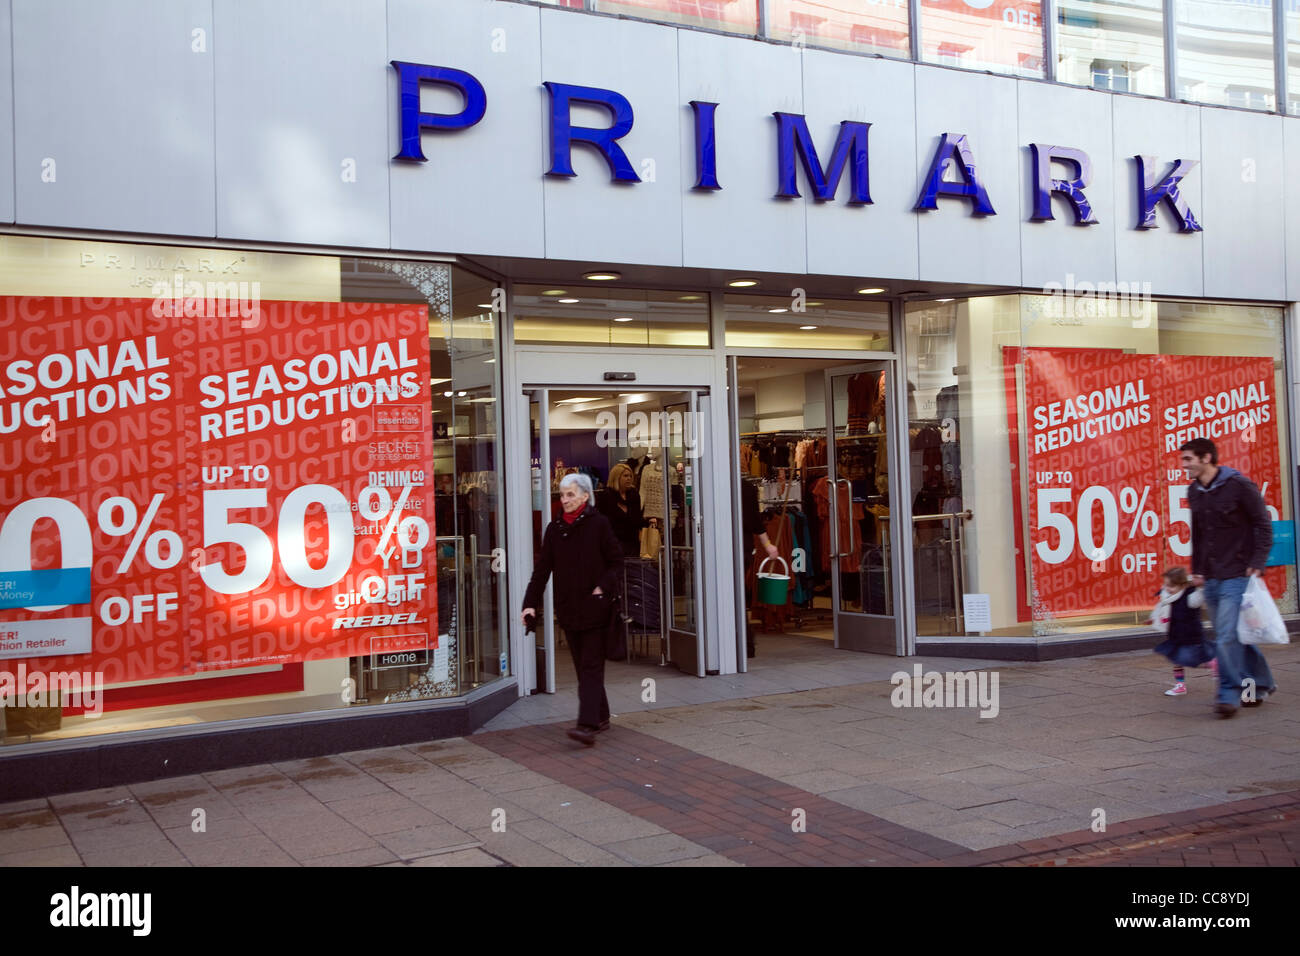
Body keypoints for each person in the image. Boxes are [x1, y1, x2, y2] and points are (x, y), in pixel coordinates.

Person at [521, 473, 623, 745]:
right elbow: (542, 570)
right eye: (562, 495)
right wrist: (529, 604)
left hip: (595, 608)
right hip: (568, 610)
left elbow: (616, 562)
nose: (564, 500)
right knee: (582, 666)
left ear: (585, 496)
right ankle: (600, 714)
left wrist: (602, 587)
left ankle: (587, 725)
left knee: (590, 666)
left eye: (570, 494)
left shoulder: (599, 524)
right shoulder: (555, 529)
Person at [1180, 437, 1278, 718]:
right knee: (1234, 634)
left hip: (1237, 572)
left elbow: (1263, 524)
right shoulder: (1195, 491)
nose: (1184, 465)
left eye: (1188, 459)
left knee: (1224, 636)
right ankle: (1261, 683)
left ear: (1206, 458)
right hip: (1210, 575)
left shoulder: (1238, 486)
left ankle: (1228, 694)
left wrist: (1258, 562)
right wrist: (1197, 569)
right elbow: (1198, 534)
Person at [1150, 566, 1215, 696]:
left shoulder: (1191, 596)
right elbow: (1161, 610)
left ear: (1183, 585)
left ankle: (1214, 664)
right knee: (1176, 660)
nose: (1167, 589)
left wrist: (1201, 586)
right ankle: (1180, 685)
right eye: (1166, 585)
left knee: (1194, 659)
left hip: (1190, 636)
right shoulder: (1168, 596)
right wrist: (1153, 618)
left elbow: (1200, 597)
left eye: (1171, 586)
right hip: (1176, 635)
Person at [597, 462, 644, 557]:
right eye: (625, 476)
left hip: (632, 543)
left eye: (630, 476)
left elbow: (637, 518)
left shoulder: (634, 495)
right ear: (616, 477)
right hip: (613, 543)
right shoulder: (606, 496)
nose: (629, 479)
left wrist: (648, 521)